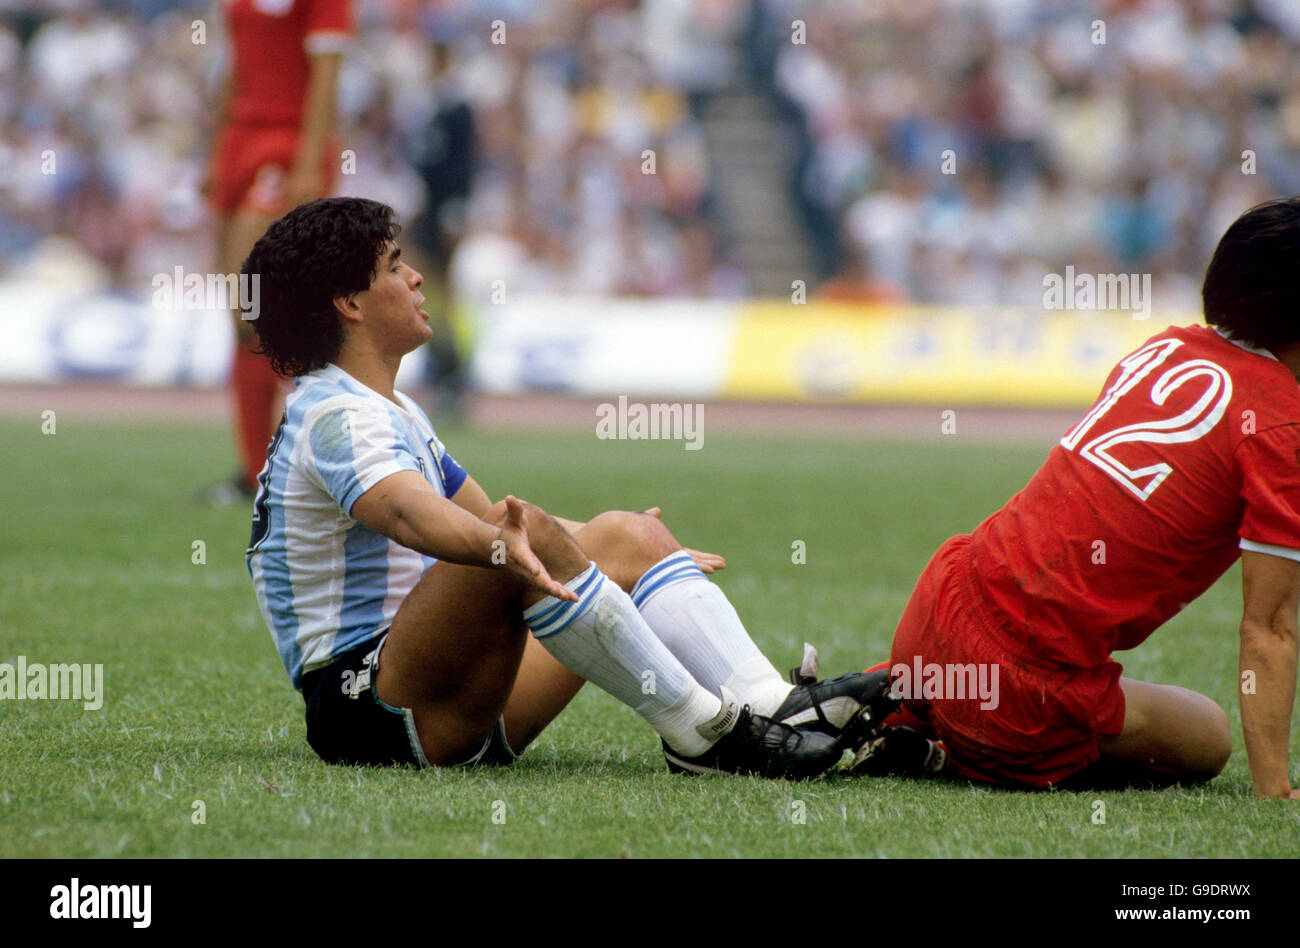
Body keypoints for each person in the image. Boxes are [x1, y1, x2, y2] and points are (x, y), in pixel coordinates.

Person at [241, 196, 892, 776]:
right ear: (351, 303)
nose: (415, 277)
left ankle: (775, 706)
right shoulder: (336, 414)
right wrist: (509, 546)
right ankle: (704, 733)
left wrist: (638, 557)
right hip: (365, 707)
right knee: (514, 536)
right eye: (394, 265)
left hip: (450, 690)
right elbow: (410, 515)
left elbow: (489, 515)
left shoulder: (390, 408)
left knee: (627, 533)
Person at [856, 197, 1300, 800]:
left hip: (939, 602)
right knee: (1207, 737)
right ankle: (953, 750)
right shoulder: (1279, 424)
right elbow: (1269, 628)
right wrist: (1274, 789)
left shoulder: (1164, 347)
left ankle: (898, 704)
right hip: (1019, 693)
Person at [199, 0, 352, 504]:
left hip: (287, 141)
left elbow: (327, 72)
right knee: (240, 313)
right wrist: (217, 152)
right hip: (241, 139)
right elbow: (237, 64)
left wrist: (309, 160)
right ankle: (254, 471)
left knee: (257, 303)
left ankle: (297, 461)